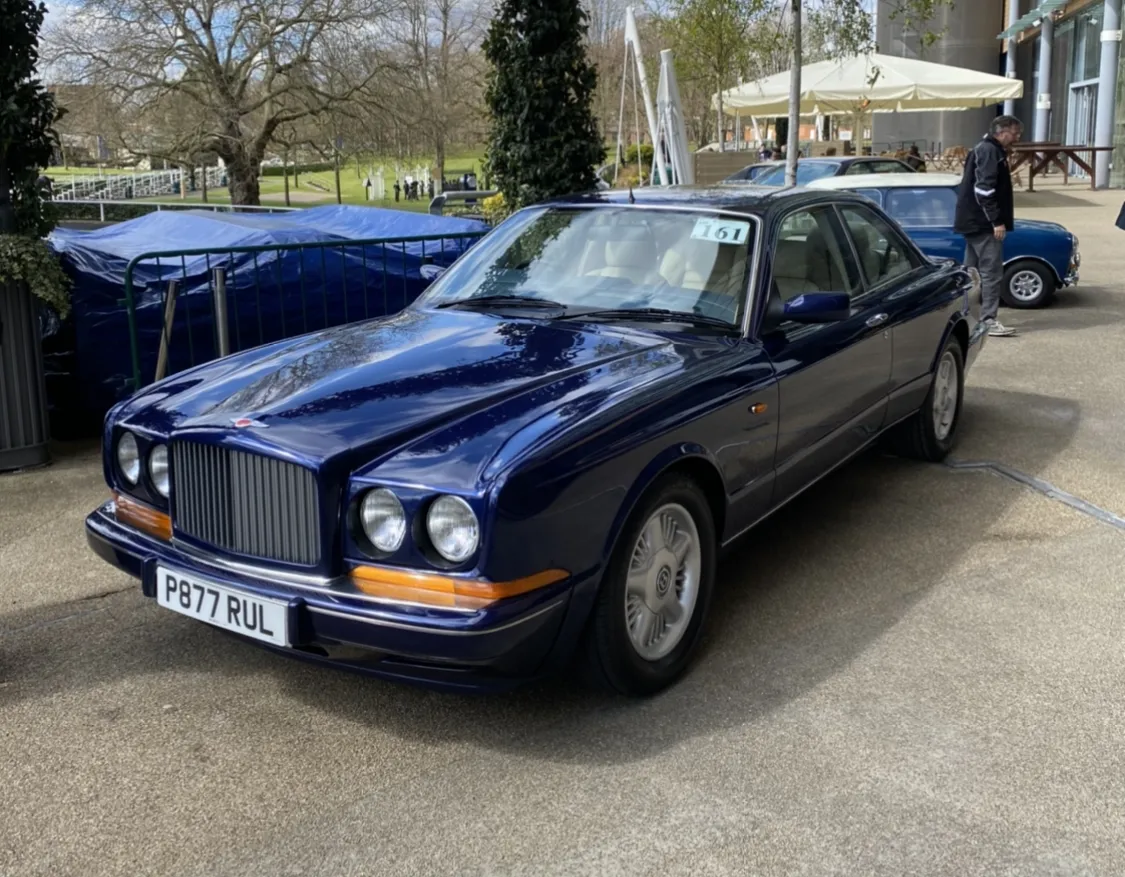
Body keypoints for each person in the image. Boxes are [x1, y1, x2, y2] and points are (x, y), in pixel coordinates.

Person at [954, 115, 1022, 338]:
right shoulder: (990, 151)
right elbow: (984, 190)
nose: (1016, 137)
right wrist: (996, 221)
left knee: (970, 273)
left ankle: (966, 314)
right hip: (983, 223)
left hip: (971, 221)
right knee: (991, 273)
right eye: (1014, 133)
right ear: (1001, 132)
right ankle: (988, 319)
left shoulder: (983, 148)